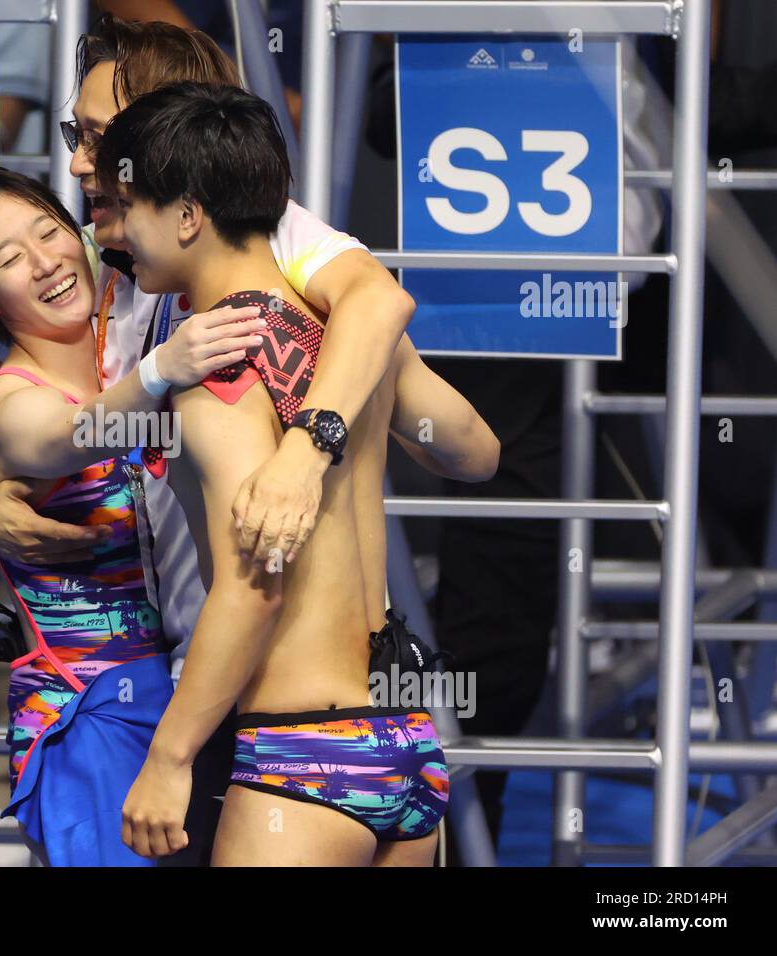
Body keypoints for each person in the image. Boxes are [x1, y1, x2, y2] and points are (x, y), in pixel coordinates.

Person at [0, 14, 412, 866]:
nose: (78, 161)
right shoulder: (92, 245)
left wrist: (310, 446)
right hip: (220, 695)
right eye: (74, 136)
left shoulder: (270, 237)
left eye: (96, 136)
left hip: (252, 707)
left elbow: (381, 306)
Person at [95, 81, 499, 865]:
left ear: (186, 216)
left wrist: (170, 758)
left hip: (302, 763)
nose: (115, 234)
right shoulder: (350, 338)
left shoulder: (219, 373)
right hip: (405, 746)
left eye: (125, 207)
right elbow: (476, 452)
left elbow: (256, 586)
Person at [0, 164, 264, 865]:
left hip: (190, 691)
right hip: (91, 715)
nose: (46, 261)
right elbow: (68, 435)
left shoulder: (117, 312)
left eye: (50, 233)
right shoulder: (12, 400)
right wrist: (165, 369)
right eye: (10, 260)